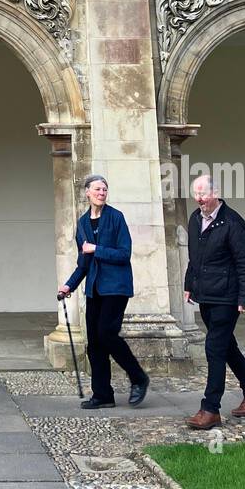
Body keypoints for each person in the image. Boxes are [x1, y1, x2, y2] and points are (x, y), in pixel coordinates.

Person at [57, 174, 149, 409]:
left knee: (107, 334)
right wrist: (69, 285)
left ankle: (138, 377)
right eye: (97, 189)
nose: (101, 193)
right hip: (95, 290)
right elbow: (84, 263)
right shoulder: (83, 223)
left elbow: (123, 254)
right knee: (95, 343)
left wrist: (96, 248)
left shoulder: (116, 217)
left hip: (116, 287)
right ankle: (103, 394)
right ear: (87, 192)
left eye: (105, 190)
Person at [183, 173, 245, 430]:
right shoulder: (196, 219)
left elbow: (244, 261)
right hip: (206, 294)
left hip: (227, 297)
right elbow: (194, 257)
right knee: (227, 346)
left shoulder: (232, 222)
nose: (199, 199)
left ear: (215, 193)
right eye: (196, 194)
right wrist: (189, 284)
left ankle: (210, 408)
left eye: (203, 194)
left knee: (214, 348)